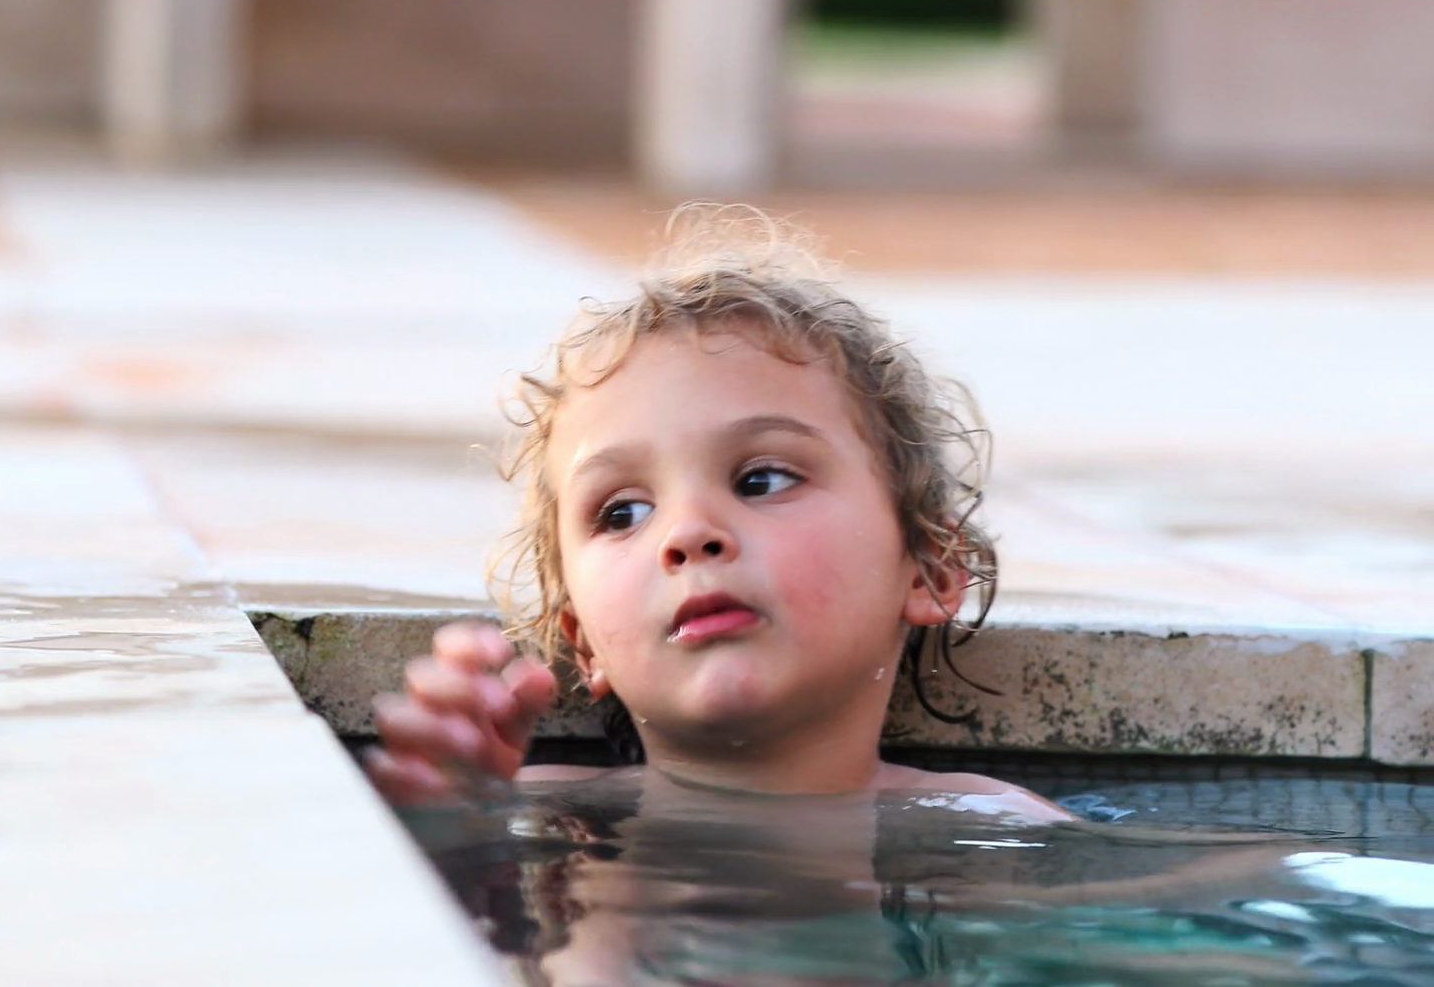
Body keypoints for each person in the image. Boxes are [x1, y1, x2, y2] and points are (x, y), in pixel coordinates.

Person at [365, 212, 1070, 823]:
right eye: (623, 513)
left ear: (928, 567)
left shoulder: (997, 829)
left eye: (760, 479)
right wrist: (455, 833)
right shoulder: (530, 812)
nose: (688, 534)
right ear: (583, 643)